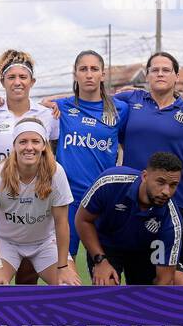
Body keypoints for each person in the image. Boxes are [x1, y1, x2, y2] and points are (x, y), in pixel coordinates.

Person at [114, 52, 183, 284]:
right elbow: (92, 102)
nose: (160, 74)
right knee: (139, 280)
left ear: (176, 77)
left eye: (166, 70)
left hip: (180, 203)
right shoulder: (129, 102)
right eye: (155, 70)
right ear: (147, 75)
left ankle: (182, 320)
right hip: (137, 205)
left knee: (180, 282)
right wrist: (54, 102)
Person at [0, 50, 58, 285]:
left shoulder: (48, 114)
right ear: (2, 81)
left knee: (28, 281)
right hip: (1, 210)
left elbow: (51, 155)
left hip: (36, 209)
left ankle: (26, 323)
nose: (17, 82)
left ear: (32, 82)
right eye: (11, 77)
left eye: (23, 77)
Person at [0, 118, 77, 286]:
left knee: (67, 287)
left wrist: (63, 266)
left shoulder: (56, 172)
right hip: (6, 242)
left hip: (44, 242)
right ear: (15, 145)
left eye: (35, 141)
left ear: (44, 146)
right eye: (23, 141)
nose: (29, 147)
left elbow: (61, 223)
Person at [53, 50, 130, 259]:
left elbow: (127, 141)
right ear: (75, 74)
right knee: (63, 266)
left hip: (102, 199)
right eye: (83, 69)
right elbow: (31, 107)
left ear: (102, 75)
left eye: (94, 69)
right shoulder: (61, 107)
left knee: (104, 268)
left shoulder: (120, 109)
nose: (89, 74)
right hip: (67, 199)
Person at [75, 152, 183, 286]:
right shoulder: (110, 182)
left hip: (146, 250)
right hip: (108, 245)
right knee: (106, 284)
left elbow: (164, 280)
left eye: (173, 185)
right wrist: (100, 260)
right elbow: (83, 220)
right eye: (160, 182)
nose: (166, 191)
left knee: (180, 282)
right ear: (145, 176)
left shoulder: (172, 218)